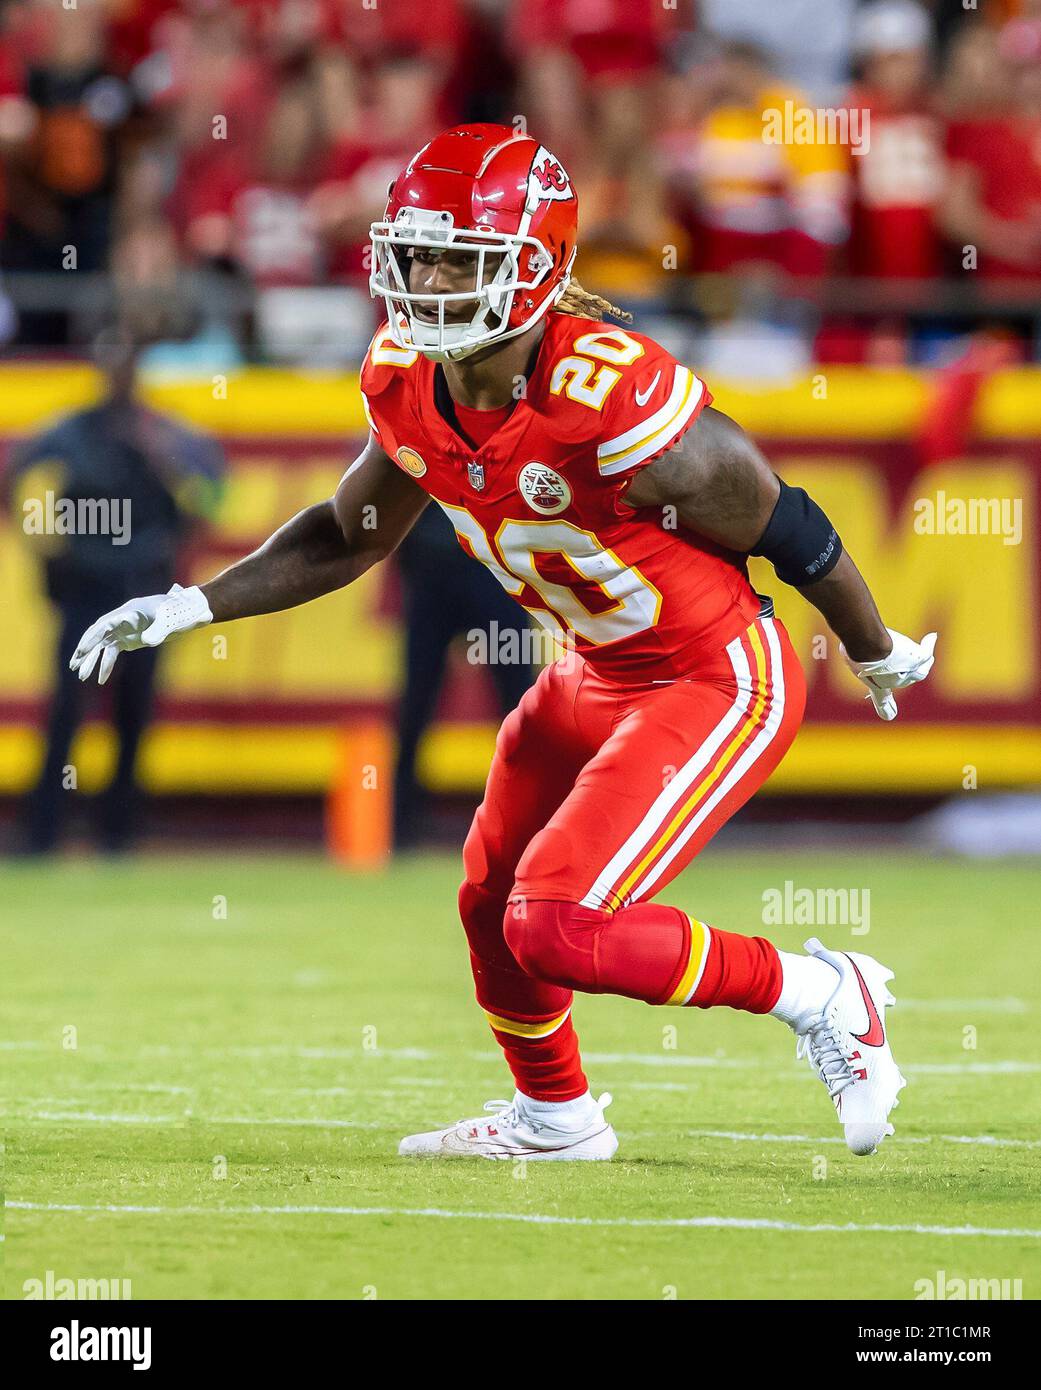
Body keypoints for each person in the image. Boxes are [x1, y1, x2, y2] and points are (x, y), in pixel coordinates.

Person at [71, 126, 937, 1160]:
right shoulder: (404, 375)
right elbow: (349, 534)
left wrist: (873, 643)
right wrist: (190, 605)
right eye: (417, 254)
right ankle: (557, 1118)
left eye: (457, 259)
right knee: (490, 897)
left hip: (712, 677)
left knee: (557, 921)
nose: (427, 279)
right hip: (593, 670)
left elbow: (788, 523)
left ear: (537, 268)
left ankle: (820, 989)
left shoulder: (609, 394)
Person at [6, 328, 224, 852]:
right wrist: (43, 548)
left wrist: (160, 462)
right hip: (86, 590)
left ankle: (119, 834)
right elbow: (16, 472)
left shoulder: (163, 434)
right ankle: (44, 833)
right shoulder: (74, 432)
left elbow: (210, 494)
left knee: (133, 715)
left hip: (144, 594)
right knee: (65, 714)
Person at [393, 502, 535, 850]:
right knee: (417, 702)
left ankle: (534, 816)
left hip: (491, 571)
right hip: (445, 571)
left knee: (522, 708)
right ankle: (400, 821)